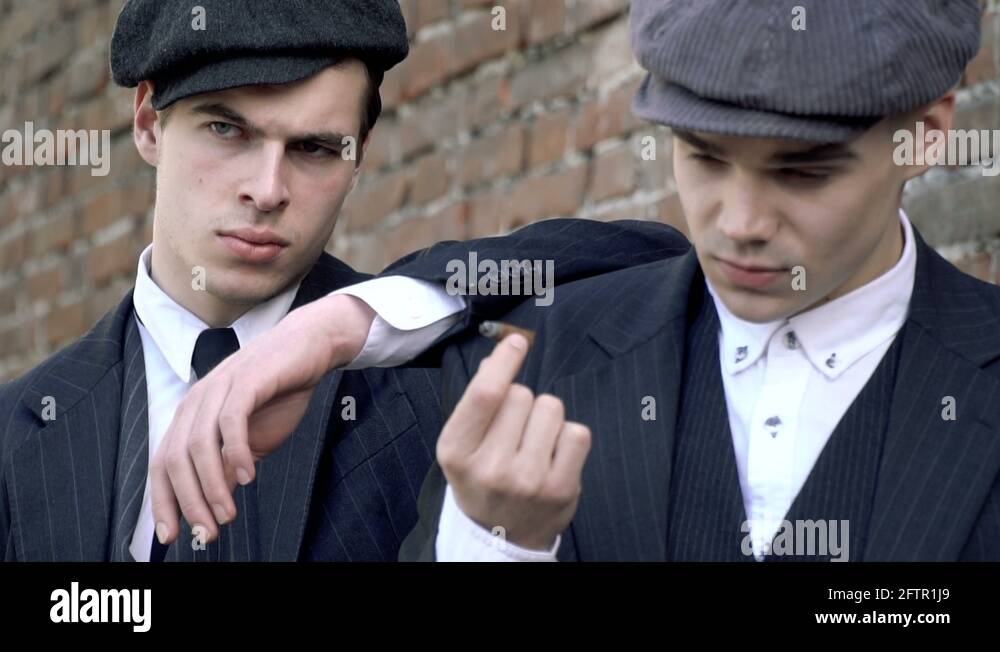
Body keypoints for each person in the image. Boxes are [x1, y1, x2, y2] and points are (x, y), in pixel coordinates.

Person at [0, 0, 687, 562]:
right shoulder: (16, 432)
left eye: (314, 149)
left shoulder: (432, 383)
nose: (267, 190)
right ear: (149, 122)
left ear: (359, 158)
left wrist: (339, 326)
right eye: (227, 130)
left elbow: (651, 257)